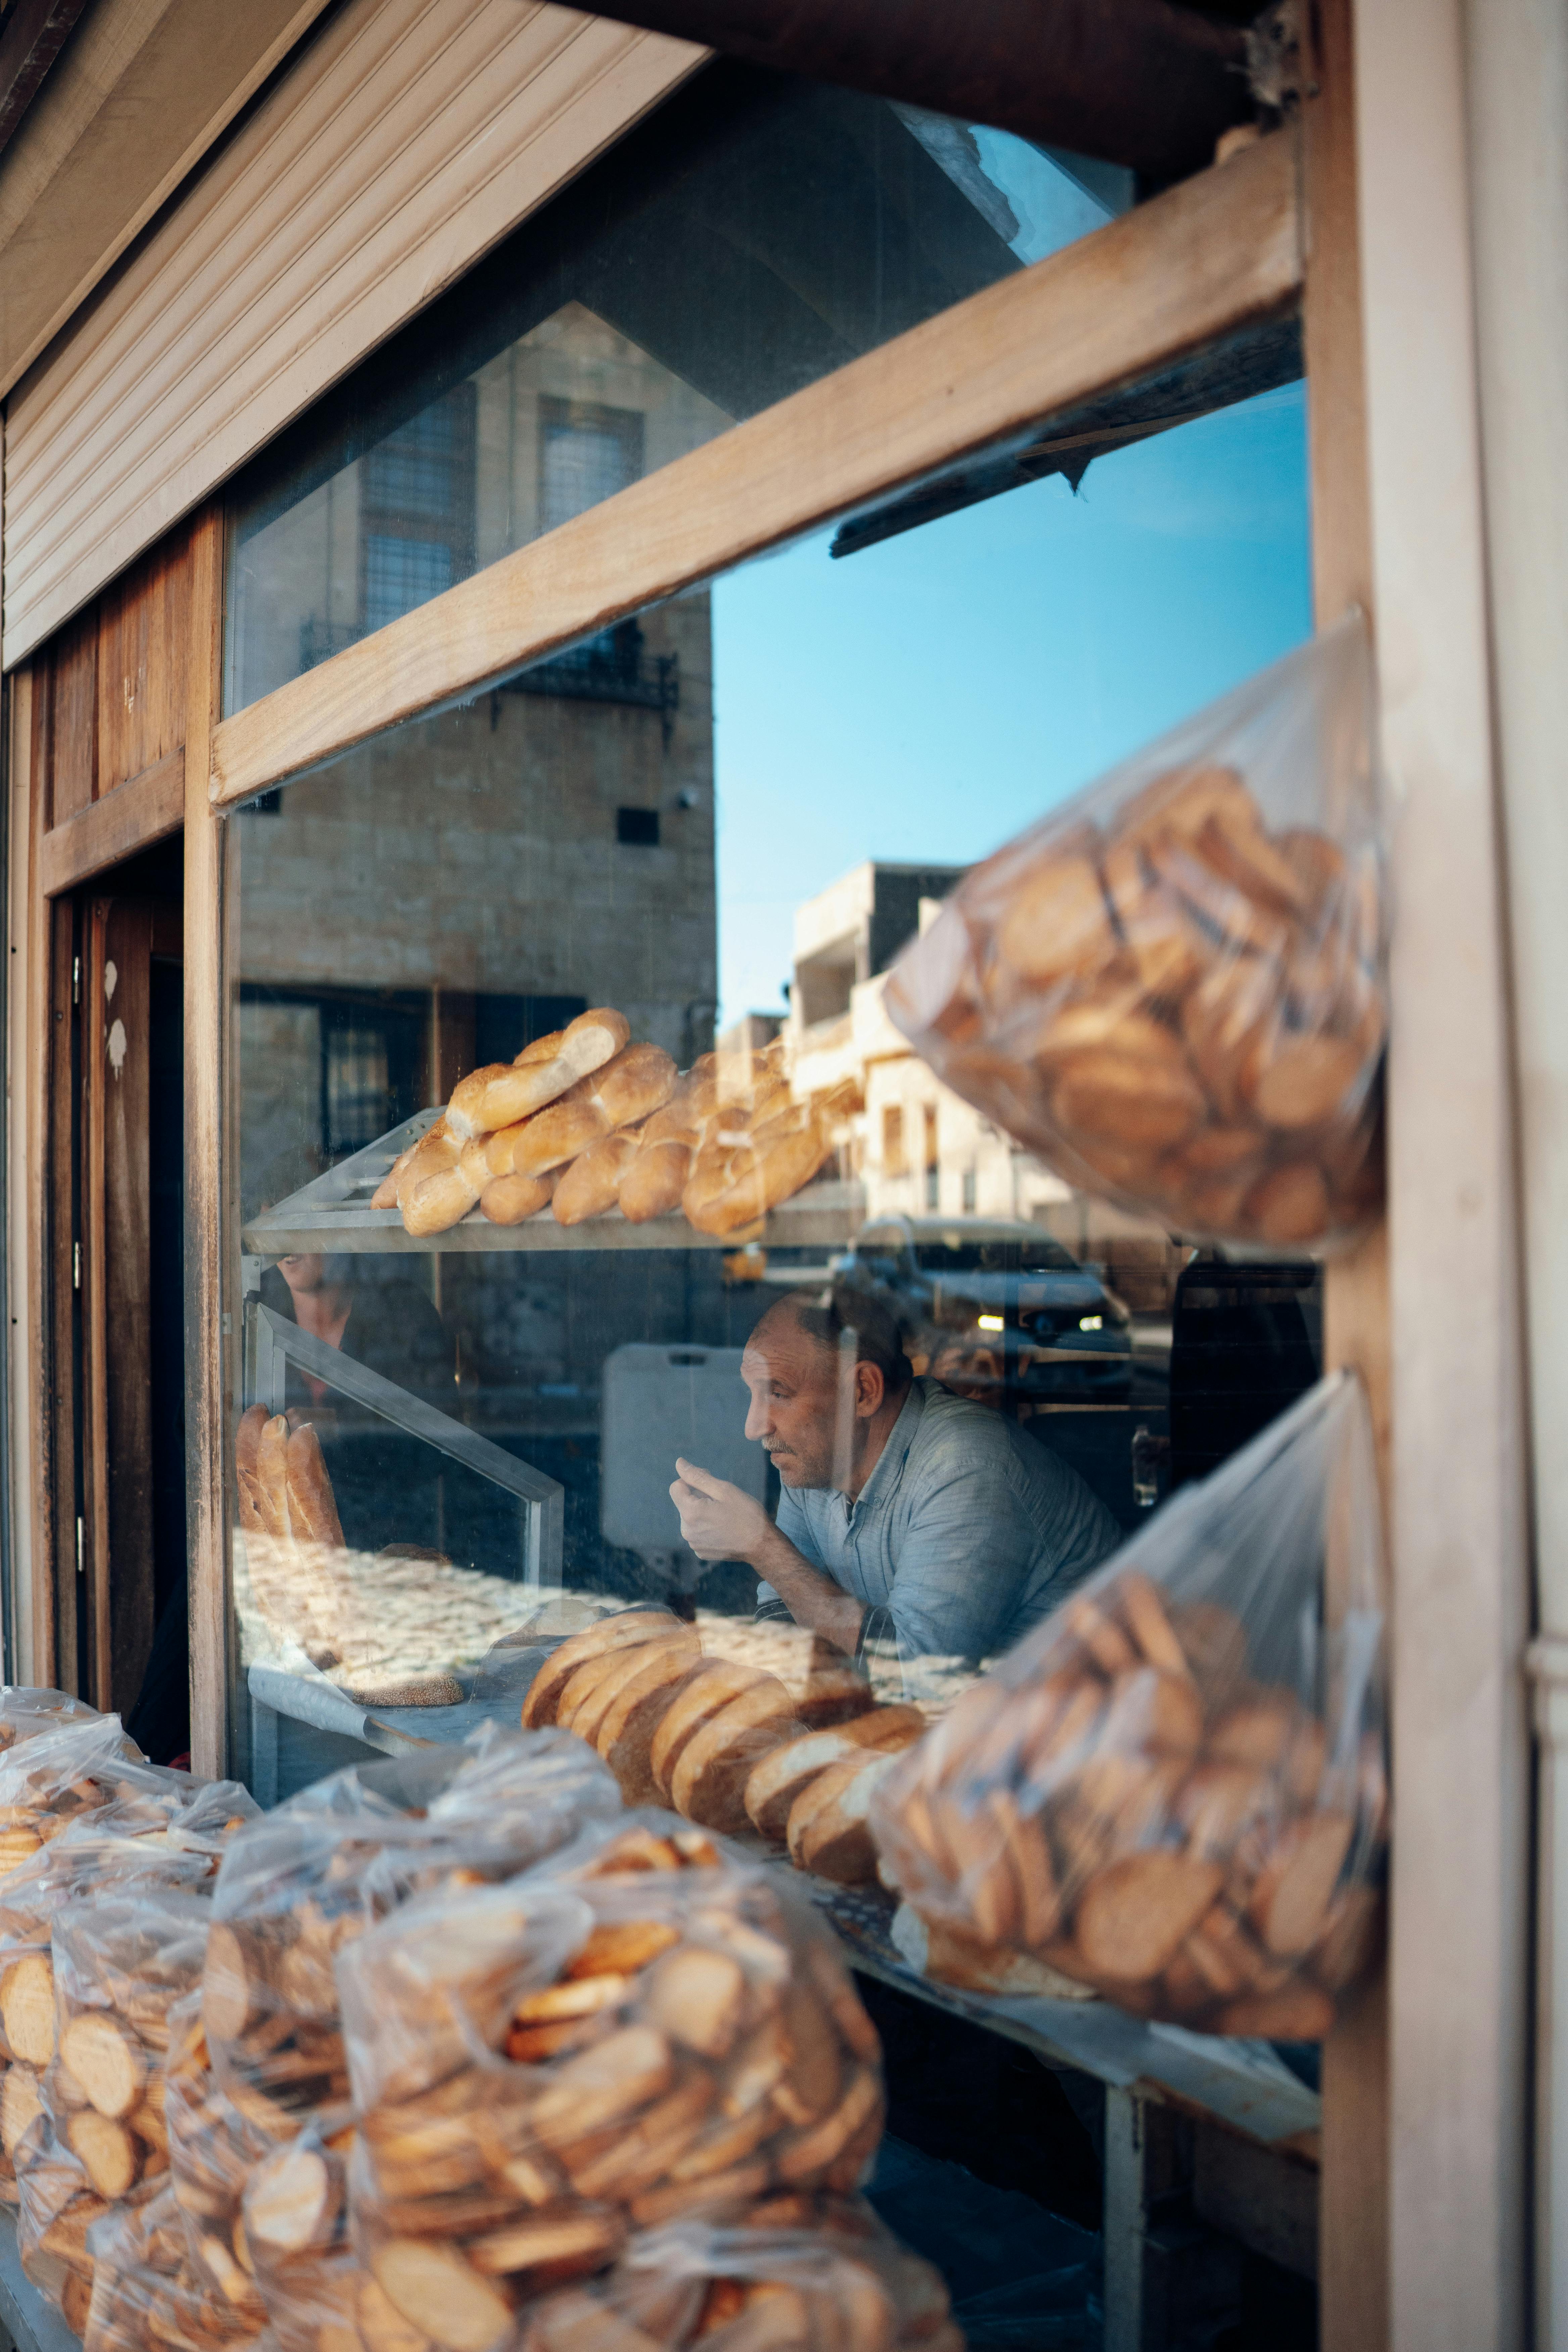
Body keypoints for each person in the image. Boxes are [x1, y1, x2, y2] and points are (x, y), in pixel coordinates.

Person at [669, 1287, 1122, 1662]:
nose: (755, 1427)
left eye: (779, 1394)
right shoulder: (817, 1458)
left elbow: (913, 1675)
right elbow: (785, 1610)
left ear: (863, 1392)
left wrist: (761, 1546)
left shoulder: (968, 1468)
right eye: (753, 1394)